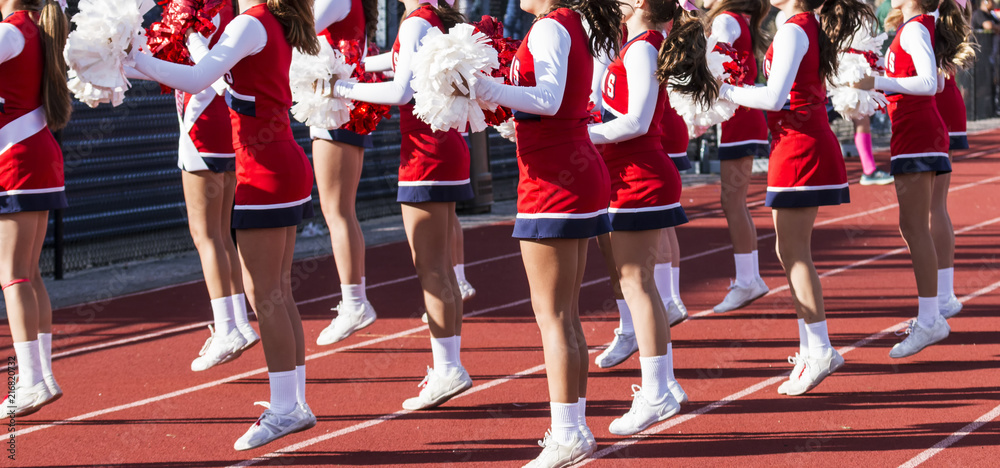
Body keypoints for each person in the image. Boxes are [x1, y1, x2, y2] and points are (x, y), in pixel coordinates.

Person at [133, 0, 320, 449]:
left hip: (265, 169)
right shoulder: (270, 22)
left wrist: (136, 56)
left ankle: (284, 409)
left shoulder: (250, 22)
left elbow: (199, 79)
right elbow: (220, 83)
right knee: (278, 290)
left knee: (265, 295)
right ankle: (293, 402)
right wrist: (133, 65)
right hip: (283, 162)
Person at [472, 0, 622, 463]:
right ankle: (573, 429)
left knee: (554, 318)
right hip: (563, 169)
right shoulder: (565, 24)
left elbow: (550, 99)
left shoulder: (553, 26)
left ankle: (568, 434)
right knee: (565, 316)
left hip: (554, 177)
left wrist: (486, 86)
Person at [720, 0, 873, 395]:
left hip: (800, 145)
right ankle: (810, 348)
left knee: (794, 252)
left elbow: (774, 98)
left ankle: (820, 348)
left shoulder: (794, 29)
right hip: (792, 142)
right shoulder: (803, 24)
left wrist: (723, 89)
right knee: (789, 252)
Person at [332, 0, 475, 410]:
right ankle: (448, 365)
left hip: (426, 153)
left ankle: (448, 368)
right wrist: (355, 65)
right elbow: (400, 61)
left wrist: (339, 87)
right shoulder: (427, 19)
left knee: (431, 266)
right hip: (441, 146)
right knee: (439, 265)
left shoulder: (417, 21)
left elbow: (401, 91)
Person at [588, 0, 711, 436]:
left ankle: (656, 393)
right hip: (633, 174)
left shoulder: (642, 47)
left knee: (636, 285)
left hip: (640, 175)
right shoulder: (635, 43)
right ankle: (665, 384)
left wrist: (579, 135)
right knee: (642, 286)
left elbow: (637, 122)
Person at [857, 0, 963, 358]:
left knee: (915, 225)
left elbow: (930, 83)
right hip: (911, 131)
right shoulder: (912, 27)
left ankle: (930, 317)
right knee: (914, 224)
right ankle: (933, 311)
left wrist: (876, 80)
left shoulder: (916, 27)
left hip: (918, 132)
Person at [170, 4, 261, 372]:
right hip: (223, 118)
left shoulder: (191, 7)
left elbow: (198, 64)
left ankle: (227, 328)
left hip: (200, 119)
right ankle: (238, 321)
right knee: (222, 234)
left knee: (205, 234)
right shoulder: (229, 4)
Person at [0, 0, 70, 417]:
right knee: (30, 271)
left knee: (13, 275)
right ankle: (40, 376)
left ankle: (29, 380)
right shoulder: (35, 28)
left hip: (17, 159)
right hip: (36, 153)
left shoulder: (12, 31)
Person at [312, 0, 381, 346]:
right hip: (341, 106)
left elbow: (297, 31)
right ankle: (354, 300)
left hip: (336, 108)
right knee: (341, 211)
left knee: (337, 211)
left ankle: (355, 302)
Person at [704, 0, 773, 313]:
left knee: (732, 201)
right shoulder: (735, 19)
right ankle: (748, 277)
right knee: (733, 201)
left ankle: (748, 279)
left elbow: (712, 63)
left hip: (741, 117)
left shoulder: (727, 21)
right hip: (739, 115)